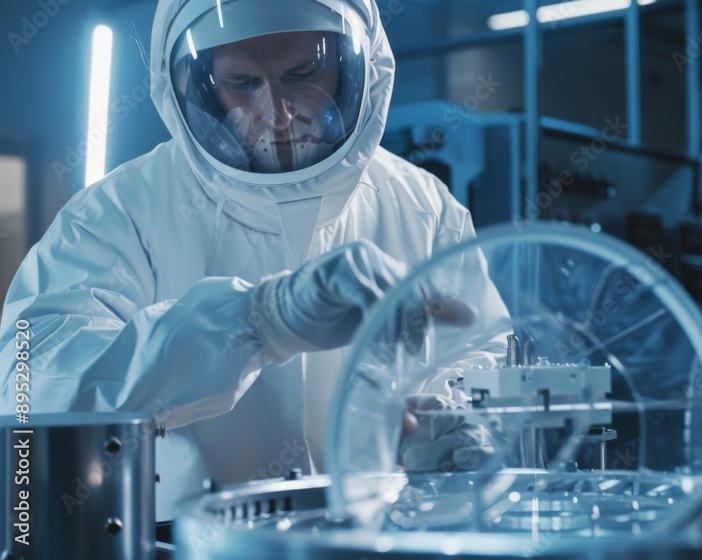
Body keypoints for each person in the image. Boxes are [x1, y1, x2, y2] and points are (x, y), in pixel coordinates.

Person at [0, 0, 505, 520]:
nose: (279, 113)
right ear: (198, 86)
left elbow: (481, 351)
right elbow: (30, 387)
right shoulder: (118, 214)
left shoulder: (424, 208)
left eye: (303, 72)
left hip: (380, 539)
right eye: (242, 83)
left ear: (359, 65)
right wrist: (257, 322)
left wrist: (461, 419)